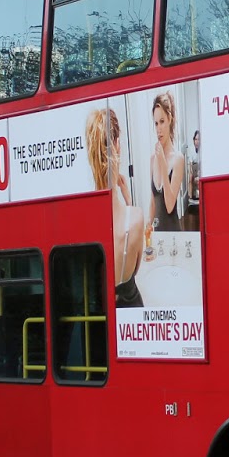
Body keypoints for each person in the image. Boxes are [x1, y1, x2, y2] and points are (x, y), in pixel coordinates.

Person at [86, 107, 144, 308]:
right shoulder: (136, 218)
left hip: (99, 322)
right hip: (132, 319)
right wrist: (129, 203)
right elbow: (135, 270)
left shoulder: (83, 222)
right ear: (118, 145)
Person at [149, 91, 186, 232]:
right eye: (156, 123)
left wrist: (164, 166)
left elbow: (170, 205)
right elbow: (153, 201)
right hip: (157, 237)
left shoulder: (178, 159)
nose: (159, 129)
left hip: (173, 234)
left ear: (170, 119)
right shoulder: (153, 158)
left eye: (162, 122)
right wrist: (148, 223)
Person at [183, 129, 201, 231]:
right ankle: (191, 198)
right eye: (195, 139)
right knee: (190, 176)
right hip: (194, 171)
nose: (197, 141)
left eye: (198, 139)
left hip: (200, 171)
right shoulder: (191, 151)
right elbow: (190, 166)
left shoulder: (203, 151)